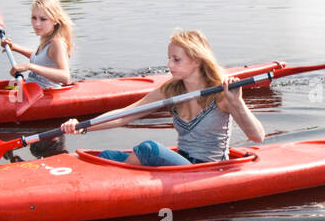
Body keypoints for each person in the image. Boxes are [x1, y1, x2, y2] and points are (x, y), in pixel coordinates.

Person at [61, 29, 264, 166]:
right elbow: (125, 115)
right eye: (169, 58)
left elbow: (257, 136)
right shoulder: (171, 90)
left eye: (176, 59)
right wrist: (82, 126)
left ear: (197, 61)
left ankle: (125, 184)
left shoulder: (221, 94)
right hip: (181, 161)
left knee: (148, 148)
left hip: (206, 168)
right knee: (107, 156)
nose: (169, 64)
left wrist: (238, 102)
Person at [0, 0, 74, 88]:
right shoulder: (46, 39)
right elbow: (38, 58)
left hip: (45, 96)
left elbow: (65, 77)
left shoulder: (57, 43)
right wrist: (13, 47)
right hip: (30, 91)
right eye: (34, 18)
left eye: (43, 19)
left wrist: (29, 67)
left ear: (55, 20)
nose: (37, 24)